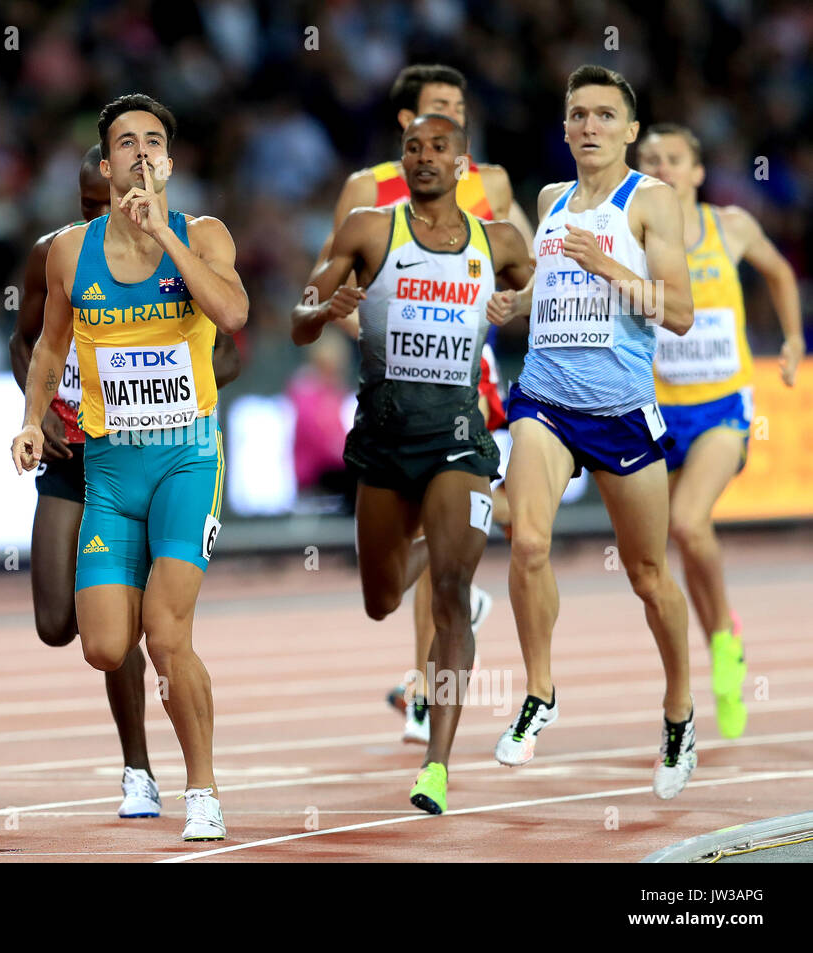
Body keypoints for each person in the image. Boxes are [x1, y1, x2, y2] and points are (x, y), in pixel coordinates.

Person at [10, 95, 248, 841]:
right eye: (125, 143)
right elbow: (48, 346)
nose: (140, 153)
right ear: (104, 164)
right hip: (110, 470)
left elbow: (234, 315)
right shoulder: (67, 254)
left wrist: (165, 238)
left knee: (167, 635)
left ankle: (201, 787)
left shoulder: (202, 233)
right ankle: (140, 760)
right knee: (105, 644)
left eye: (154, 142)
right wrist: (29, 417)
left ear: (169, 163)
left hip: (187, 458)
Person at [293, 114, 533, 814]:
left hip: (460, 432)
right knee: (381, 598)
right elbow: (299, 318)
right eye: (413, 148)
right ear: (403, 161)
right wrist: (323, 307)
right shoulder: (370, 228)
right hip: (383, 433)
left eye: (439, 149)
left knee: (453, 595)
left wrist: (515, 303)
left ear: (464, 165)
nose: (424, 157)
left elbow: (536, 292)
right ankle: (437, 542)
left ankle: (437, 765)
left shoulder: (500, 240)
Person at [487, 66, 697, 798]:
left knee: (648, 577)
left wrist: (607, 264)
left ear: (631, 131)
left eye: (605, 115)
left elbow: (678, 313)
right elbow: (549, 279)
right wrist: (516, 302)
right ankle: (539, 692)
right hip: (544, 397)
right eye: (578, 114)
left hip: (621, 412)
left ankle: (678, 710)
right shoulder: (550, 199)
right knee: (529, 541)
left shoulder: (653, 201)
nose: (588, 126)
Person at [636, 124, 805, 738]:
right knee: (675, 545)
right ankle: (723, 641)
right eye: (649, 160)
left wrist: (790, 340)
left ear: (697, 171)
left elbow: (780, 273)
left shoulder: (729, 226)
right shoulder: (633, 232)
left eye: (673, 160)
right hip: (656, 411)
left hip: (722, 410)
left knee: (687, 521)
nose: (661, 168)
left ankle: (724, 640)